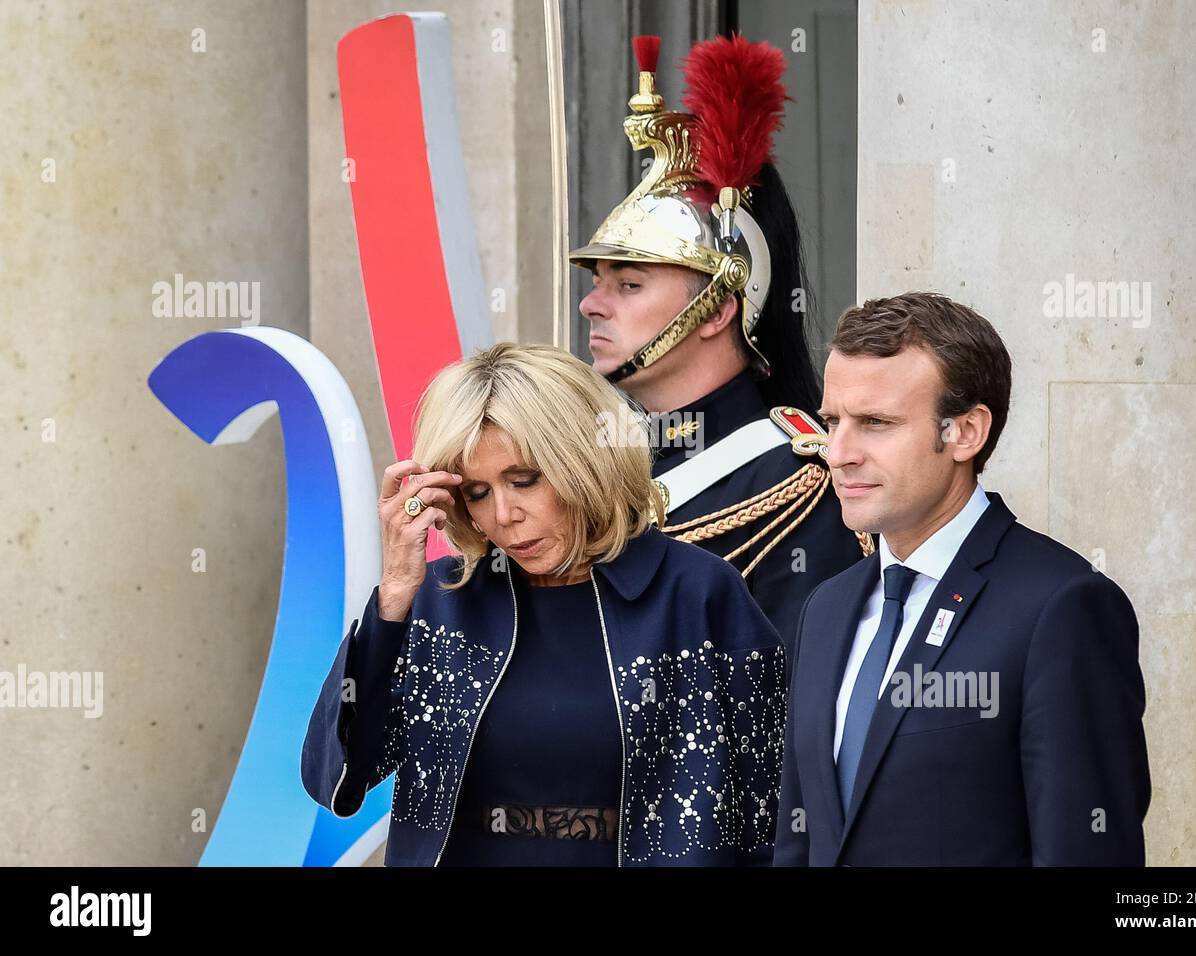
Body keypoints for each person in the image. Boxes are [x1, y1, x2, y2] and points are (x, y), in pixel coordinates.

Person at [300, 342, 786, 866]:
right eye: (478, 493)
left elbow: (771, 812)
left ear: (585, 462)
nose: (504, 515)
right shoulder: (443, 600)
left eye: (524, 480)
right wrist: (393, 595)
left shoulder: (695, 594)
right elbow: (338, 777)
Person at [774, 293, 1151, 866]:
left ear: (966, 432)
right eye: (832, 422)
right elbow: (800, 843)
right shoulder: (826, 608)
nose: (839, 452)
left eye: (876, 423)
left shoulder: (1061, 608)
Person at [569, 33, 866, 650]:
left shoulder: (799, 487)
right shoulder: (590, 464)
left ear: (717, 309)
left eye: (628, 283)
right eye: (598, 282)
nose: (590, 304)